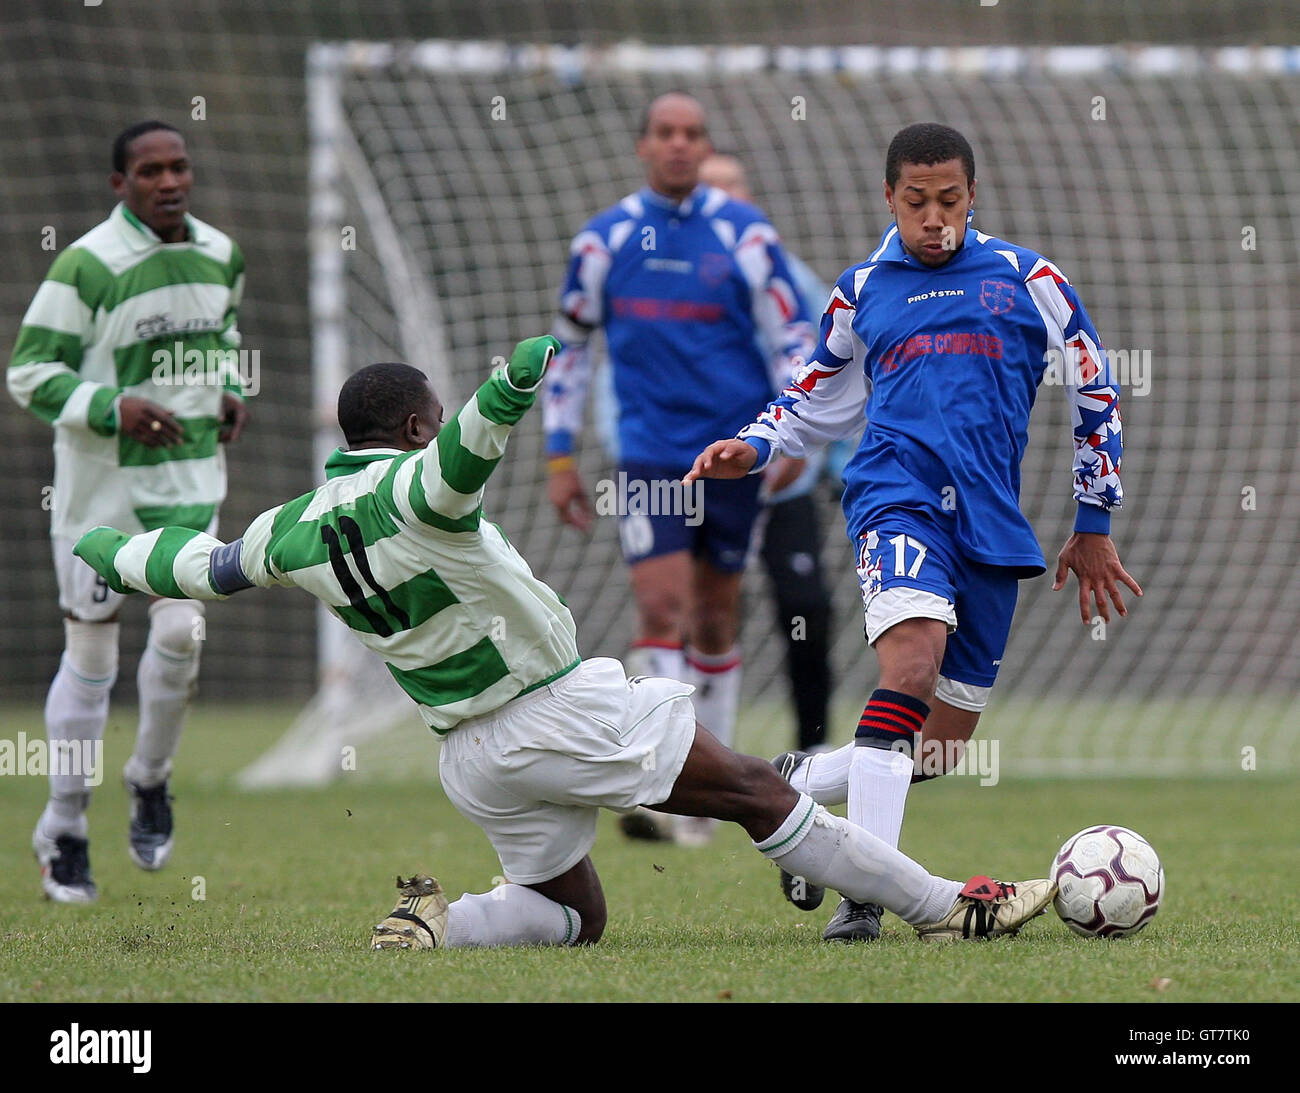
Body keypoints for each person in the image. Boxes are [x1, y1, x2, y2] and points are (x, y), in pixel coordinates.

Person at [73, 336, 1057, 949]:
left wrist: (109, 549)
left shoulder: (287, 527)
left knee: (575, 917)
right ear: (412, 423)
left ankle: (440, 922)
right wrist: (512, 384)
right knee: (760, 792)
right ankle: (948, 905)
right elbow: (462, 453)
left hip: (470, 756)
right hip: (553, 709)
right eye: (431, 417)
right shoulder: (414, 483)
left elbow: (197, 566)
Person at [687, 123, 1142, 942]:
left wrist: (1094, 519)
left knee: (938, 747)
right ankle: (865, 897)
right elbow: (812, 395)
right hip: (896, 500)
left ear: (973, 196)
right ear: (889, 198)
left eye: (950, 200)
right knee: (912, 664)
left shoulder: (1028, 278)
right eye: (916, 201)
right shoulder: (862, 290)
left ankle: (798, 784)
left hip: (989, 523)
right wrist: (753, 445)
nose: (935, 218)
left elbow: (1095, 388)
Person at [542, 94, 816, 844]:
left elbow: (795, 338)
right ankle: (661, 781)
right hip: (651, 456)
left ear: (704, 145)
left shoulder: (746, 233)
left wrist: (789, 437)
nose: (679, 144)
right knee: (662, 608)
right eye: (665, 132)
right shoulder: (604, 240)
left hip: (733, 454)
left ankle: (710, 796)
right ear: (643, 145)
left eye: (693, 133)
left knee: (716, 616)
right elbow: (569, 348)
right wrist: (560, 453)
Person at [7, 120, 249, 902]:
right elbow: (29, 371)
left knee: (181, 631)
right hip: (100, 495)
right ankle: (65, 826)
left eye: (179, 166)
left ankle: (149, 777)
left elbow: (223, 334)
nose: (169, 181)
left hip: (188, 483)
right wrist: (114, 406)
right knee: (93, 655)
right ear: (121, 184)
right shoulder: (86, 264)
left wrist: (228, 389)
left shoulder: (221, 254)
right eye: (151, 171)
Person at [698, 152, 838, 754]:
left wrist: (830, 458)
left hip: (785, 483)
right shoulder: (665, 276)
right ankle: (690, 754)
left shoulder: (791, 277)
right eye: (712, 190)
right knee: (701, 613)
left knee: (806, 607)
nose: (725, 200)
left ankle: (812, 750)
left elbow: (836, 366)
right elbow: (628, 374)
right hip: (699, 482)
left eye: (734, 187)